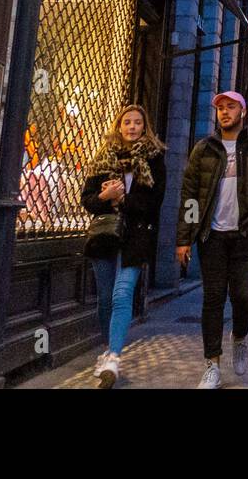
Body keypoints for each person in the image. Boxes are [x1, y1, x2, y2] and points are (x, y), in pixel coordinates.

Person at [176, 91, 248, 389]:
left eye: (230, 107)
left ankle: (240, 338)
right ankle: (212, 365)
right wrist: (185, 238)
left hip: (245, 236)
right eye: (220, 108)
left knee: (244, 297)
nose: (224, 112)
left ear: (243, 112)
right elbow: (189, 195)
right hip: (212, 237)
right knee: (213, 299)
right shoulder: (204, 149)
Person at [81, 104, 167, 388]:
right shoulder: (103, 157)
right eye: (127, 122)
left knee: (121, 294)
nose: (132, 127)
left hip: (137, 236)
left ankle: (114, 357)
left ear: (145, 127)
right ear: (119, 126)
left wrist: (123, 201)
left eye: (137, 122)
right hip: (105, 234)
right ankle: (107, 350)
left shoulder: (154, 159)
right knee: (105, 298)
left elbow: (155, 203)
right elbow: (88, 201)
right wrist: (105, 195)